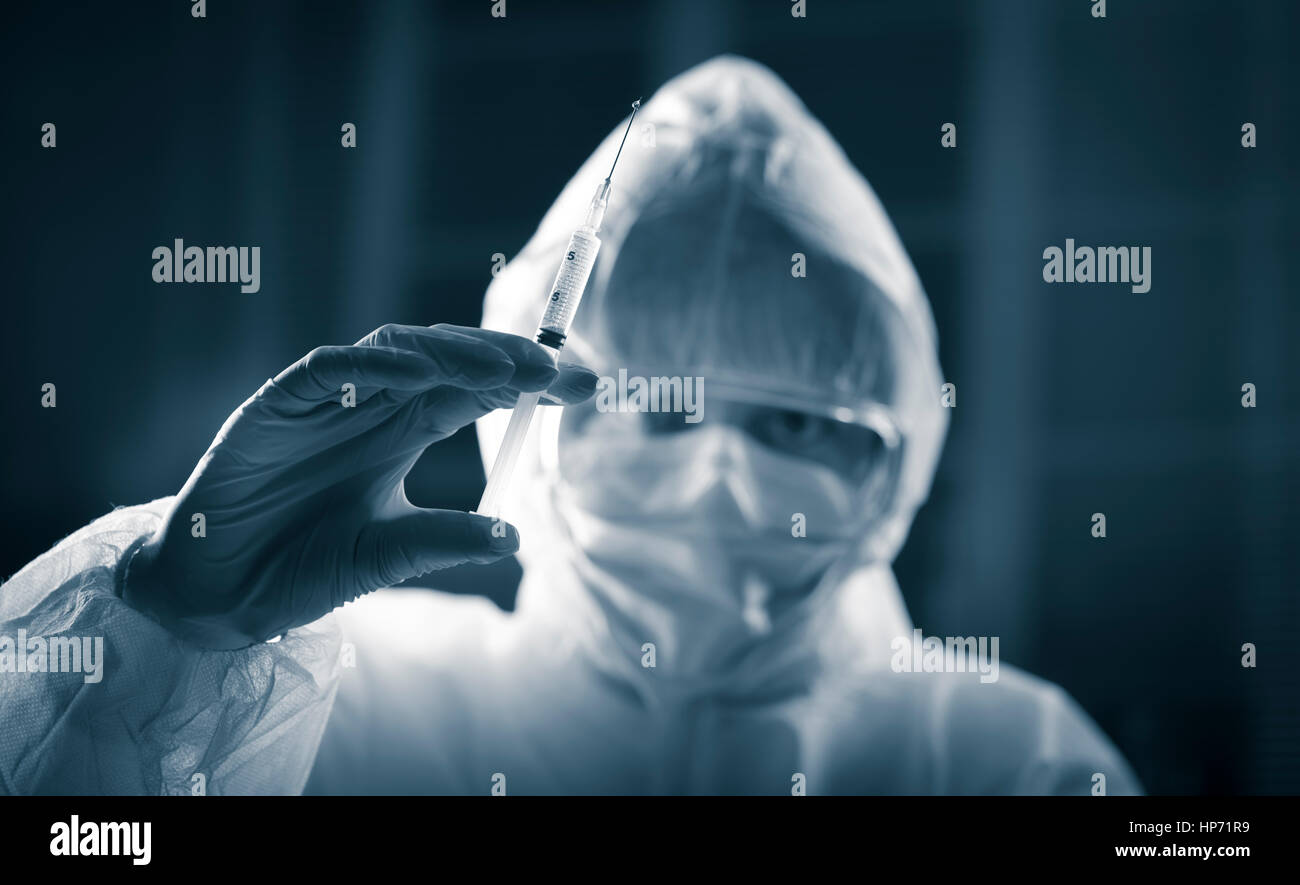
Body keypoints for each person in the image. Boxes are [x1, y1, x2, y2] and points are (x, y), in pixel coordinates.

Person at [0, 56, 1139, 795]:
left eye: (795, 423)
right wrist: (160, 635)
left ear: (893, 461)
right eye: (652, 405)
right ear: (531, 427)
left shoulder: (1007, 760)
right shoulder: (332, 706)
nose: (718, 480)